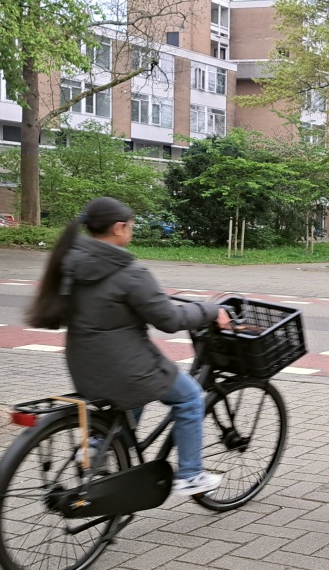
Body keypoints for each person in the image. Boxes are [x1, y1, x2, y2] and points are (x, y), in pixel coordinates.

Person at [28, 197, 231, 496]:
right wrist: (211, 311)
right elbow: (170, 319)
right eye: (131, 227)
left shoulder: (71, 263)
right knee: (188, 398)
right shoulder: (129, 271)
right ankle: (191, 475)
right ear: (119, 228)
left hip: (84, 367)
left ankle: (98, 451)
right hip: (127, 367)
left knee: (130, 398)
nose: (132, 232)